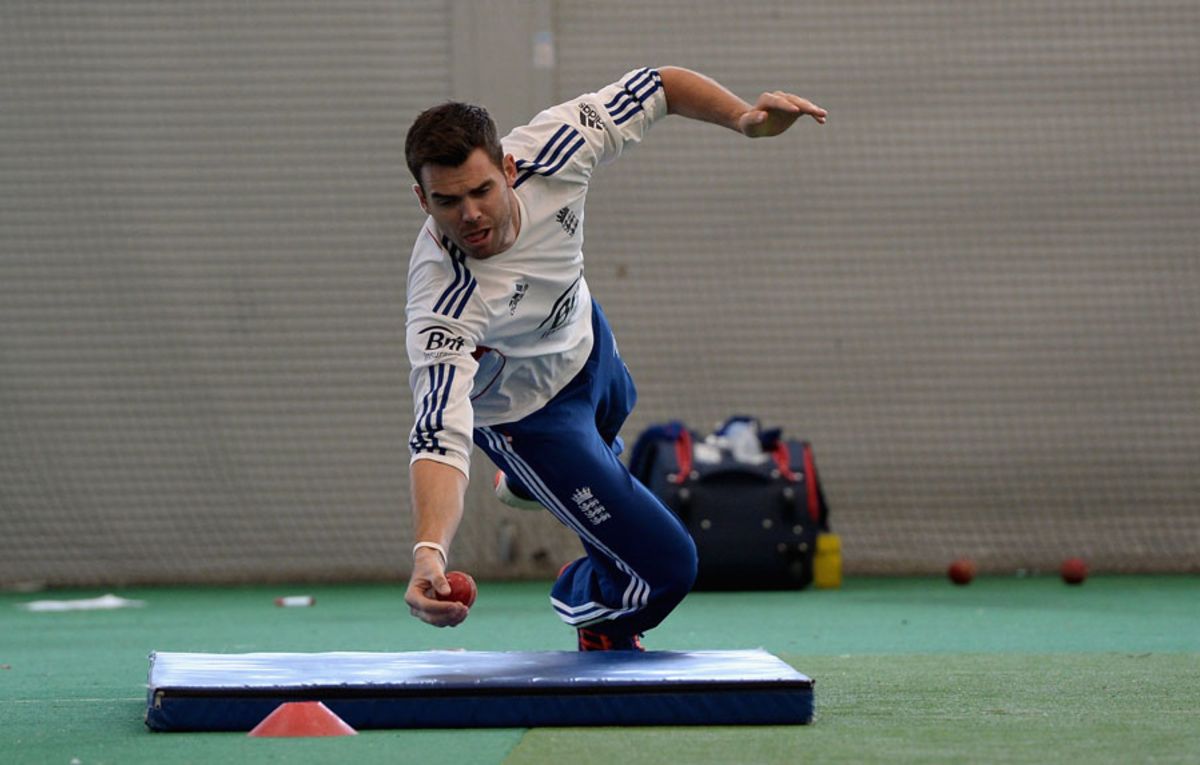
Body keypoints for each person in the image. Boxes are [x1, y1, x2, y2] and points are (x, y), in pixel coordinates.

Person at [403, 66, 826, 650]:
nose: (470, 215)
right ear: (423, 200)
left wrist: (744, 120)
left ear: (509, 168)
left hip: (586, 344)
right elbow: (438, 436)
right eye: (448, 202)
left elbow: (660, 86)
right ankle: (591, 606)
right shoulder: (443, 303)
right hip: (528, 418)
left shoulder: (558, 148)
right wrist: (430, 551)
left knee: (621, 401)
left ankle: (534, 486)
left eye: (482, 191)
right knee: (666, 571)